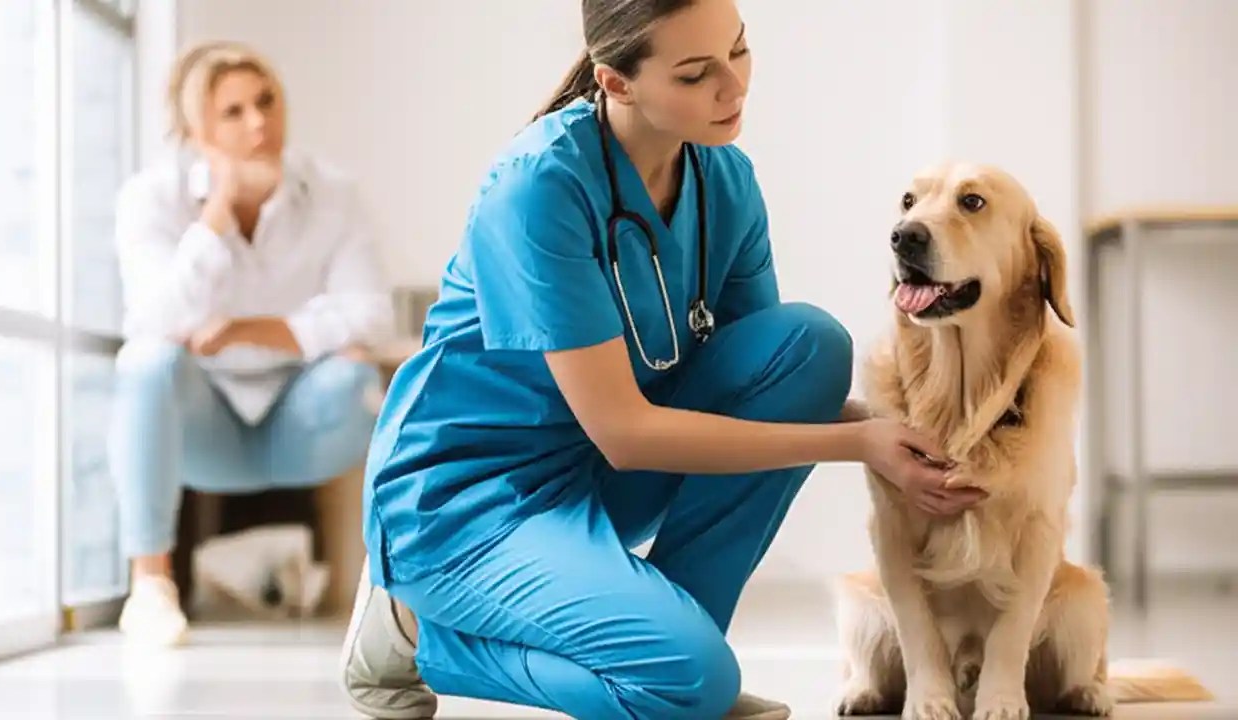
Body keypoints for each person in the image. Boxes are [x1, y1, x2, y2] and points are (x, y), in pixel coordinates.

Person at [339, 1, 983, 718]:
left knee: (810, 346)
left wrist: (921, 439)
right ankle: (413, 635)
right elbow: (626, 431)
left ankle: (676, 658)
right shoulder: (538, 188)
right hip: (466, 501)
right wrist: (859, 444)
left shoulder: (724, 182)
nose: (733, 88)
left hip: (592, 473)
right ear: (615, 83)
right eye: (695, 73)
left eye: (738, 52)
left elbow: (775, 390)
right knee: (691, 683)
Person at [110, 40, 393, 646]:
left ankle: (393, 590)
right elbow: (154, 319)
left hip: (306, 423)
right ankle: (151, 587)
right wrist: (215, 214)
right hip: (201, 426)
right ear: (194, 129)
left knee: (357, 373)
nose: (259, 123)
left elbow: (370, 314)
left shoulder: (334, 194)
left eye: (266, 101)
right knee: (144, 363)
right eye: (232, 112)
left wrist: (249, 331)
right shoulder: (149, 199)